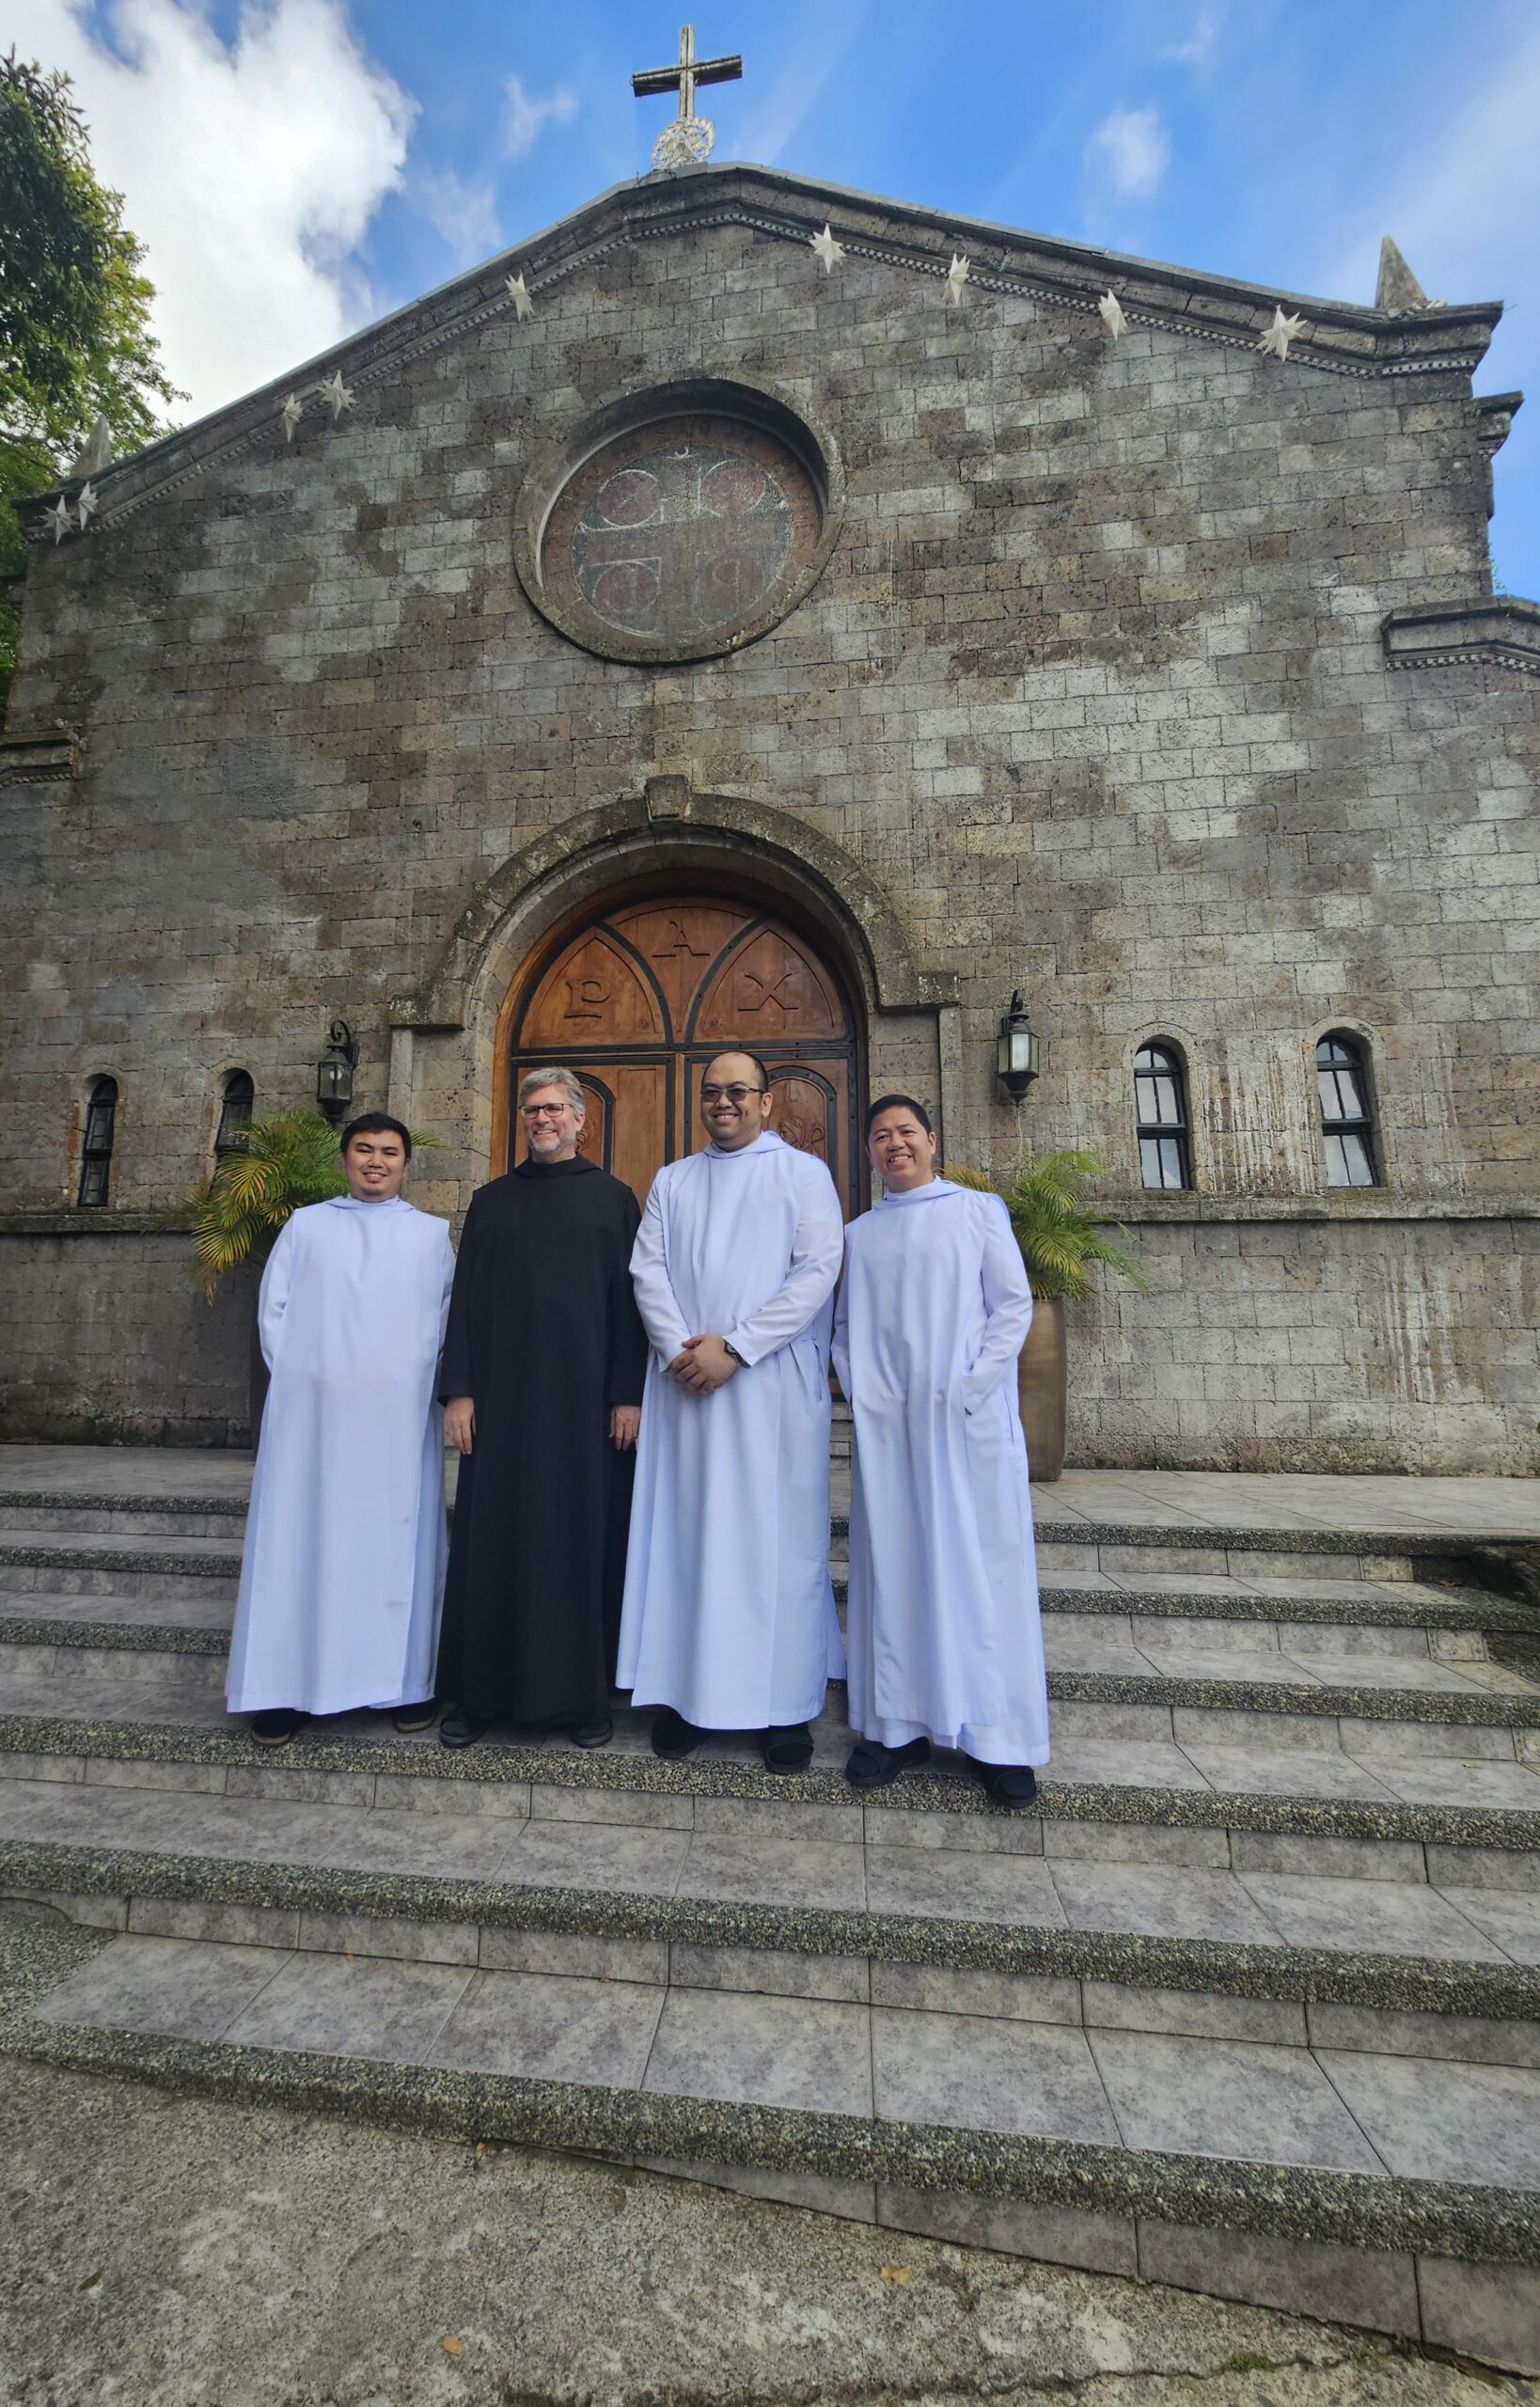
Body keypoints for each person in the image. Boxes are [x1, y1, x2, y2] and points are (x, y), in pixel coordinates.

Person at [618, 1049, 844, 1773]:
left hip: (769, 1391)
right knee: (689, 1541)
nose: (724, 1102)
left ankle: (785, 1709)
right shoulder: (673, 1181)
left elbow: (816, 1272)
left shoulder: (804, 1176)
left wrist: (737, 1349)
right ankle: (685, 1696)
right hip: (685, 1388)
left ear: (766, 1102)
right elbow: (646, 1270)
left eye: (737, 1091)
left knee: (779, 1550)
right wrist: (681, 1351)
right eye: (712, 1092)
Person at [832, 1093, 1049, 1805]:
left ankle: (998, 1742)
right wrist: (865, 1395)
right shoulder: (858, 1235)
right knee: (895, 1570)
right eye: (880, 1137)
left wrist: (970, 1387)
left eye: (906, 1133)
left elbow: (1012, 1305)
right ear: (869, 1152)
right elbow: (842, 1331)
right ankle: (896, 1729)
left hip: (966, 1427)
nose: (894, 1144)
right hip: (891, 1434)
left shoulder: (977, 1213)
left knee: (980, 1573)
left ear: (932, 1139)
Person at [226, 1112, 454, 1747]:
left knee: (393, 1549)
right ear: (345, 1159)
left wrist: (402, 1386)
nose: (376, 1161)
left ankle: (405, 1686)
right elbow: (275, 1313)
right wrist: (312, 1380)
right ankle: (284, 1690)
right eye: (364, 1150)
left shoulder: (433, 1238)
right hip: (314, 1426)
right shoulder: (307, 1226)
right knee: (302, 1544)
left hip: (396, 1425)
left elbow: (443, 1327)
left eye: (389, 1152)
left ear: (407, 1165)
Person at [434, 1066, 646, 1749]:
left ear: (582, 1119)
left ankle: (582, 1702)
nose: (542, 1119)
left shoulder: (615, 1200)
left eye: (554, 1108)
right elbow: (463, 1303)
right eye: (531, 1109)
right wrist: (459, 1390)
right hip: (501, 1408)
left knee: (581, 1544)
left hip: (586, 1411)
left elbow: (630, 1310)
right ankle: (476, 1697)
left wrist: (627, 1395)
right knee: (490, 1544)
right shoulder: (490, 1202)